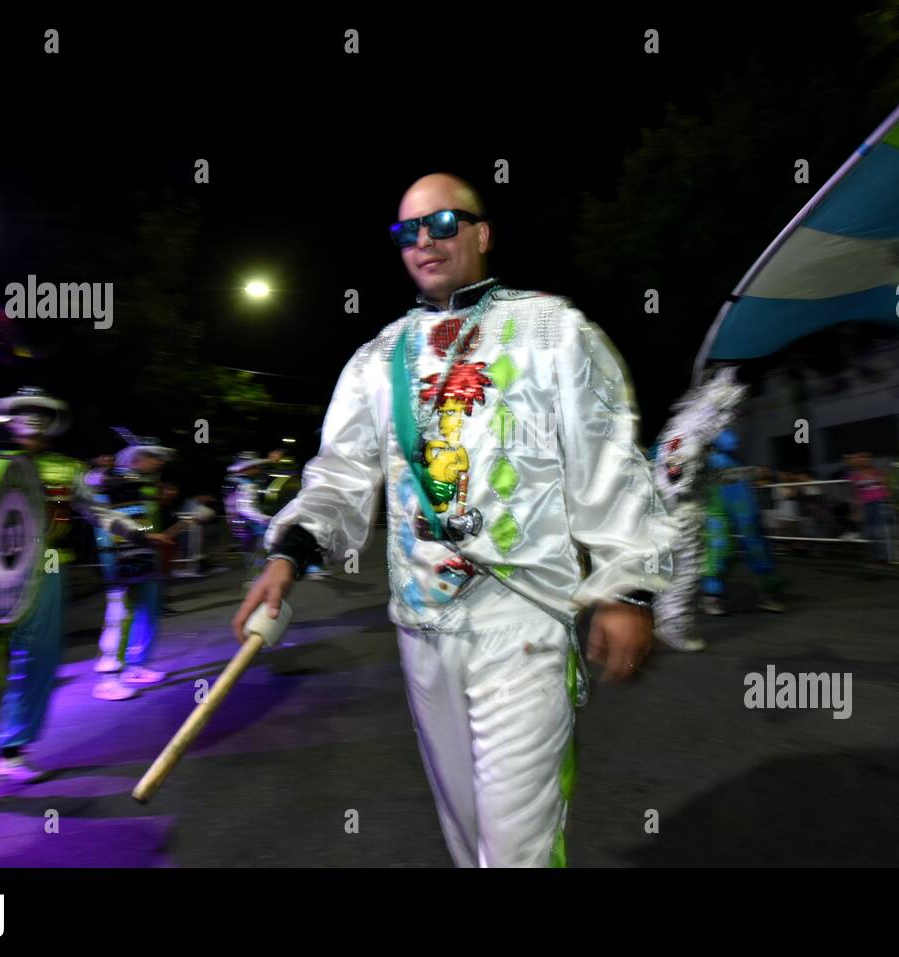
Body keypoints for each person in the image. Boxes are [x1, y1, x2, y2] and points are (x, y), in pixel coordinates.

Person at [233, 173, 673, 867]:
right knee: (467, 837)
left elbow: (608, 458)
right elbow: (341, 475)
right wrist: (287, 553)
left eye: (441, 223)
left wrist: (629, 585)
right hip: (421, 632)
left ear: (481, 232)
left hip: (522, 622)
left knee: (517, 846)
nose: (424, 242)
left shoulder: (552, 329)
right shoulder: (378, 359)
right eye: (407, 231)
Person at [0, 388, 163, 825]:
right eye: (22, 411)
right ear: (8, 417)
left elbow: (96, 511)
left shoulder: (68, 468)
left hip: (49, 569)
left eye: (39, 413)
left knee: (39, 665)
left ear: (52, 421)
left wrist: (138, 533)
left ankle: (12, 751)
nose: (31, 419)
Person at [650, 368, 746, 651]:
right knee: (687, 569)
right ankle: (673, 625)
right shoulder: (687, 440)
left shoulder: (686, 433)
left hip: (678, 510)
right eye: (725, 414)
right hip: (680, 512)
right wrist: (684, 489)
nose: (728, 421)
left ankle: (666, 618)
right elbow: (674, 478)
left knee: (678, 569)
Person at [91, 434, 176, 698]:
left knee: (147, 610)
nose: (159, 462)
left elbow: (148, 518)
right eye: (154, 458)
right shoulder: (110, 481)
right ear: (137, 459)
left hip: (146, 553)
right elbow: (91, 486)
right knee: (121, 613)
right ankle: (108, 678)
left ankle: (135, 666)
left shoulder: (147, 484)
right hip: (119, 555)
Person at [699, 428, 785, 616]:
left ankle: (770, 592)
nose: (734, 440)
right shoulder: (705, 457)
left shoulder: (730, 460)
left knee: (754, 542)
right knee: (718, 546)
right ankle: (712, 596)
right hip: (716, 505)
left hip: (737, 502)